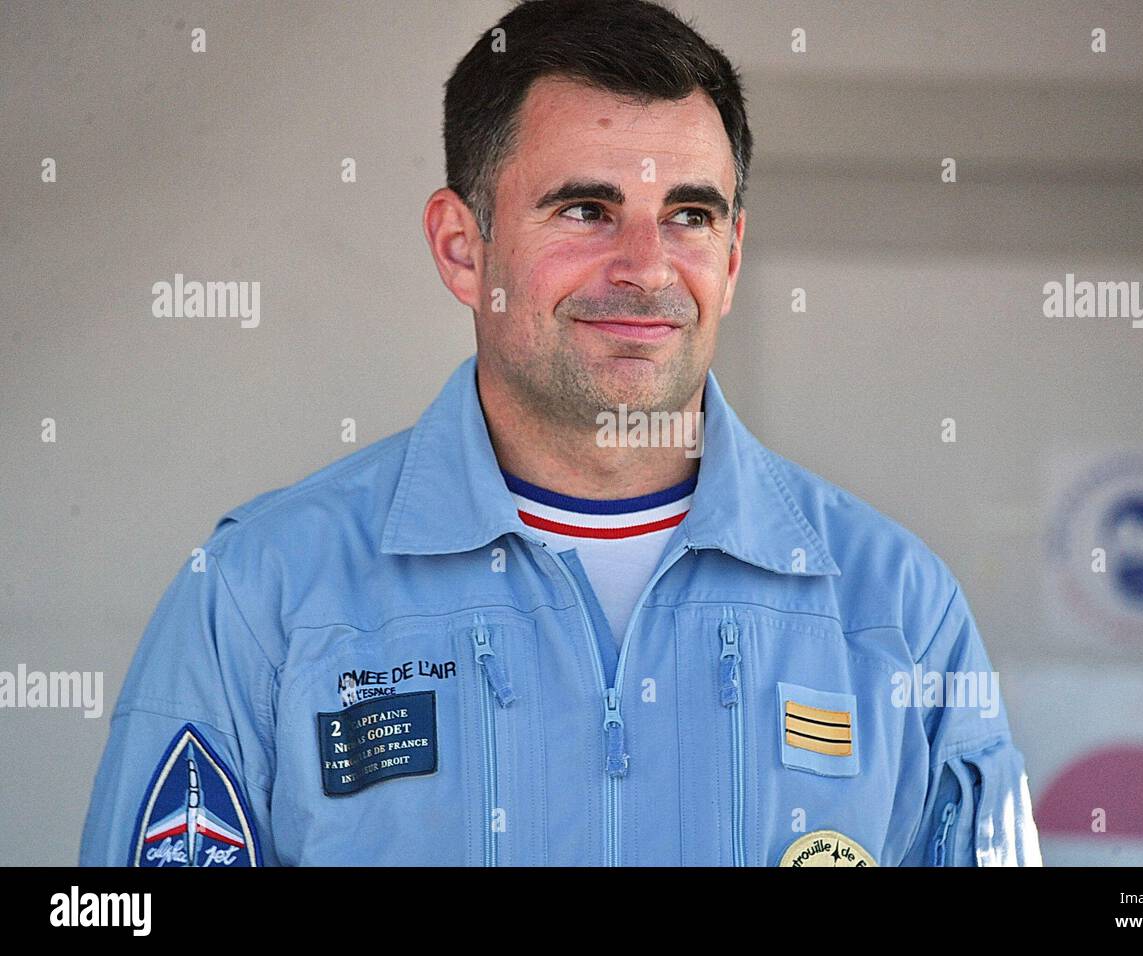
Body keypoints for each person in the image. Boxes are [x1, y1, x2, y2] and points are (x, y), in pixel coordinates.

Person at [80, 0, 1041, 867]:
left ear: (735, 255)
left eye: (690, 216)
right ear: (463, 248)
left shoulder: (897, 612)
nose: (646, 267)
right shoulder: (263, 596)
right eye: (586, 210)